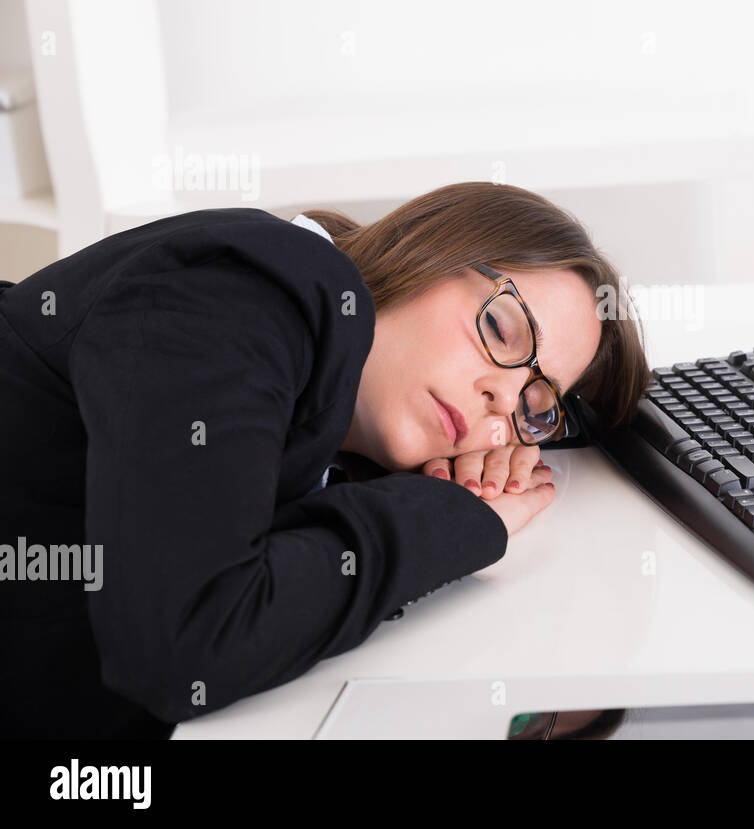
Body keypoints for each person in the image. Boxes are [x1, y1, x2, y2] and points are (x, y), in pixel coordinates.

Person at [0, 182, 650, 738]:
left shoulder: (325, 400)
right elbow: (182, 648)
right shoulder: (251, 294)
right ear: (431, 250)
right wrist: (447, 518)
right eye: (504, 329)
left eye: (532, 403)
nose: (497, 398)